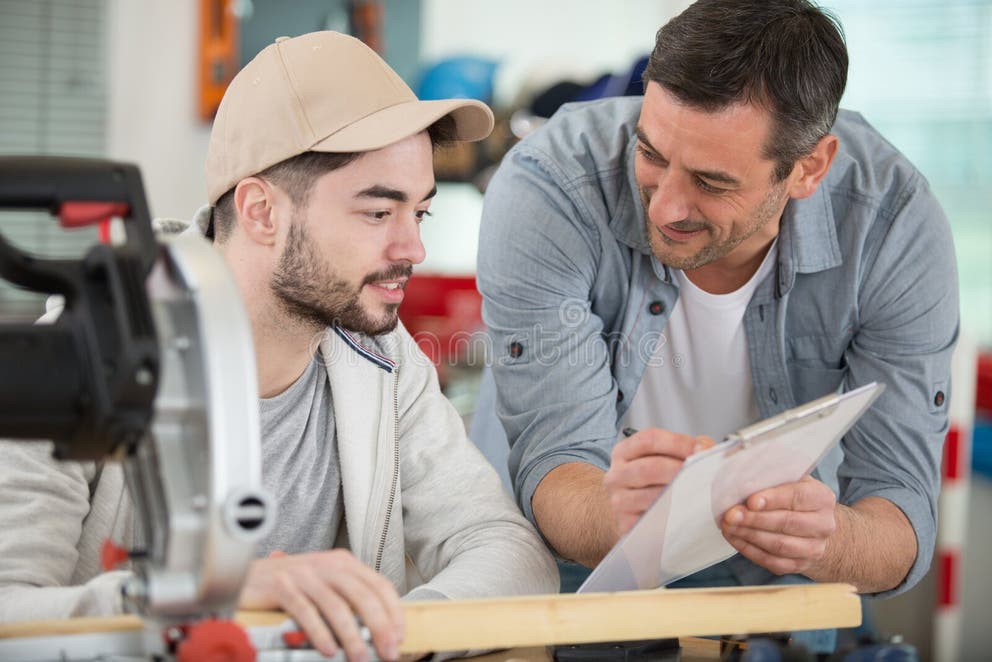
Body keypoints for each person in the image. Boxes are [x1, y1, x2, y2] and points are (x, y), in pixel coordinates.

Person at [0, 31, 557, 662]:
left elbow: (505, 549)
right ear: (262, 211)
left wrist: (382, 634)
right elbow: (8, 613)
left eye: (419, 213)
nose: (413, 250)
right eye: (378, 213)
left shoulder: (385, 357)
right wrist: (189, 600)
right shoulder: (78, 360)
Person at [470, 0, 958, 652]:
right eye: (650, 151)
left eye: (711, 181)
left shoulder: (892, 223)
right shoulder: (549, 185)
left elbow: (899, 521)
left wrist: (830, 536)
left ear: (810, 167)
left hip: (775, 566)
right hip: (565, 544)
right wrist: (626, 517)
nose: (668, 205)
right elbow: (556, 461)